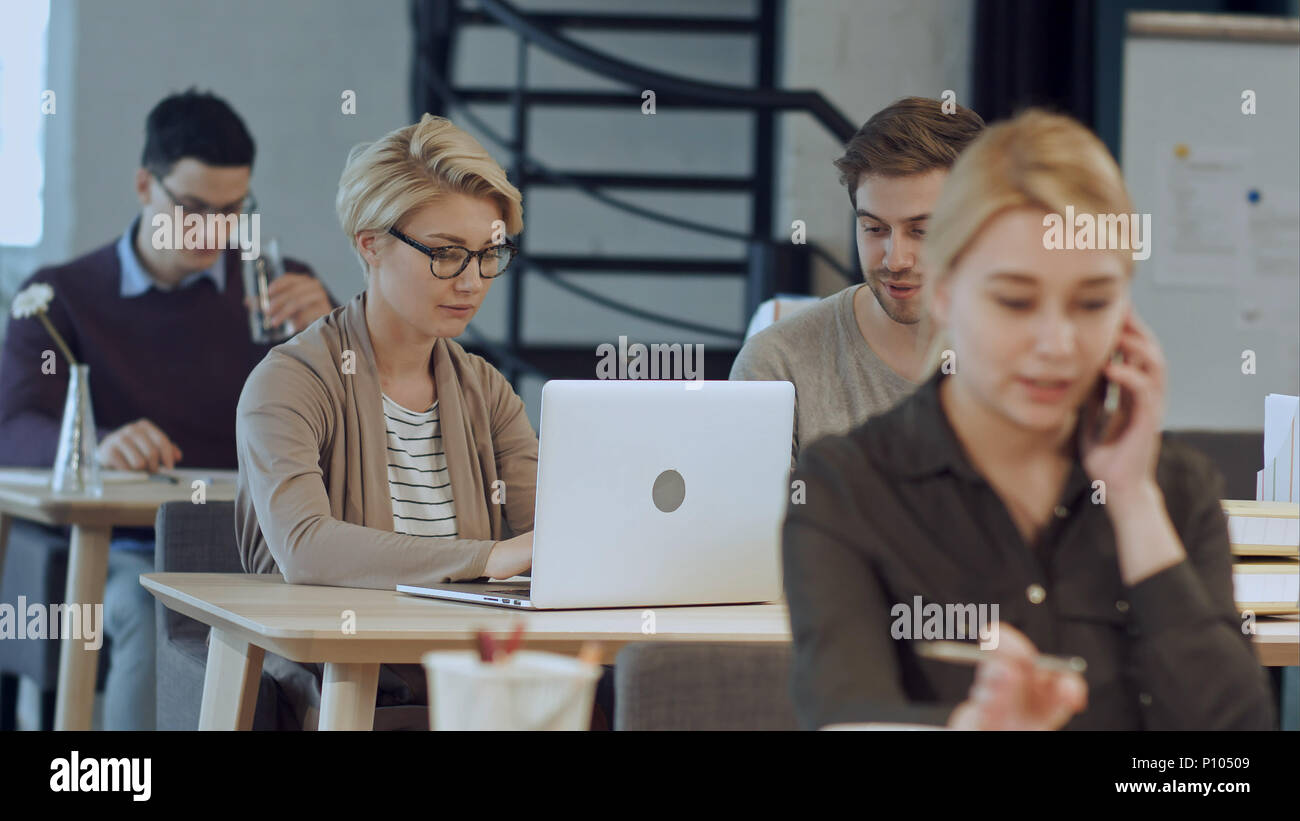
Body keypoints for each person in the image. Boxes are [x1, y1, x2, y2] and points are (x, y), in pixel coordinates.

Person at [782, 109, 1276, 730]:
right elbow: (846, 716)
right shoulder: (848, 488)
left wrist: (1132, 500)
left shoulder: (1175, 487)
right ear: (945, 294)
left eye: (1092, 301)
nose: (1057, 343)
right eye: (1015, 301)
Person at [0, 89, 334, 730]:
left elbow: (356, 437)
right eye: (195, 209)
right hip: (127, 549)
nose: (215, 231)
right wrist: (95, 445)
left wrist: (334, 345)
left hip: (265, 552)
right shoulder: (62, 298)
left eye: (233, 211)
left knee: (336, 626)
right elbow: (13, 429)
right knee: (148, 609)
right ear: (144, 185)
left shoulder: (285, 293)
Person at [234, 114, 538, 730]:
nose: (472, 281)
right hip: (350, 680)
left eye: (487, 255)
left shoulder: (487, 390)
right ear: (371, 244)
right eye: (447, 254)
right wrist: (491, 556)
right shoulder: (289, 381)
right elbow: (307, 549)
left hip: (473, 673)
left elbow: (549, 535)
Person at [730, 97, 985, 463]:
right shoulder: (777, 366)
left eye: (923, 231)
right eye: (874, 228)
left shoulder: (1031, 361)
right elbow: (749, 518)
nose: (895, 260)